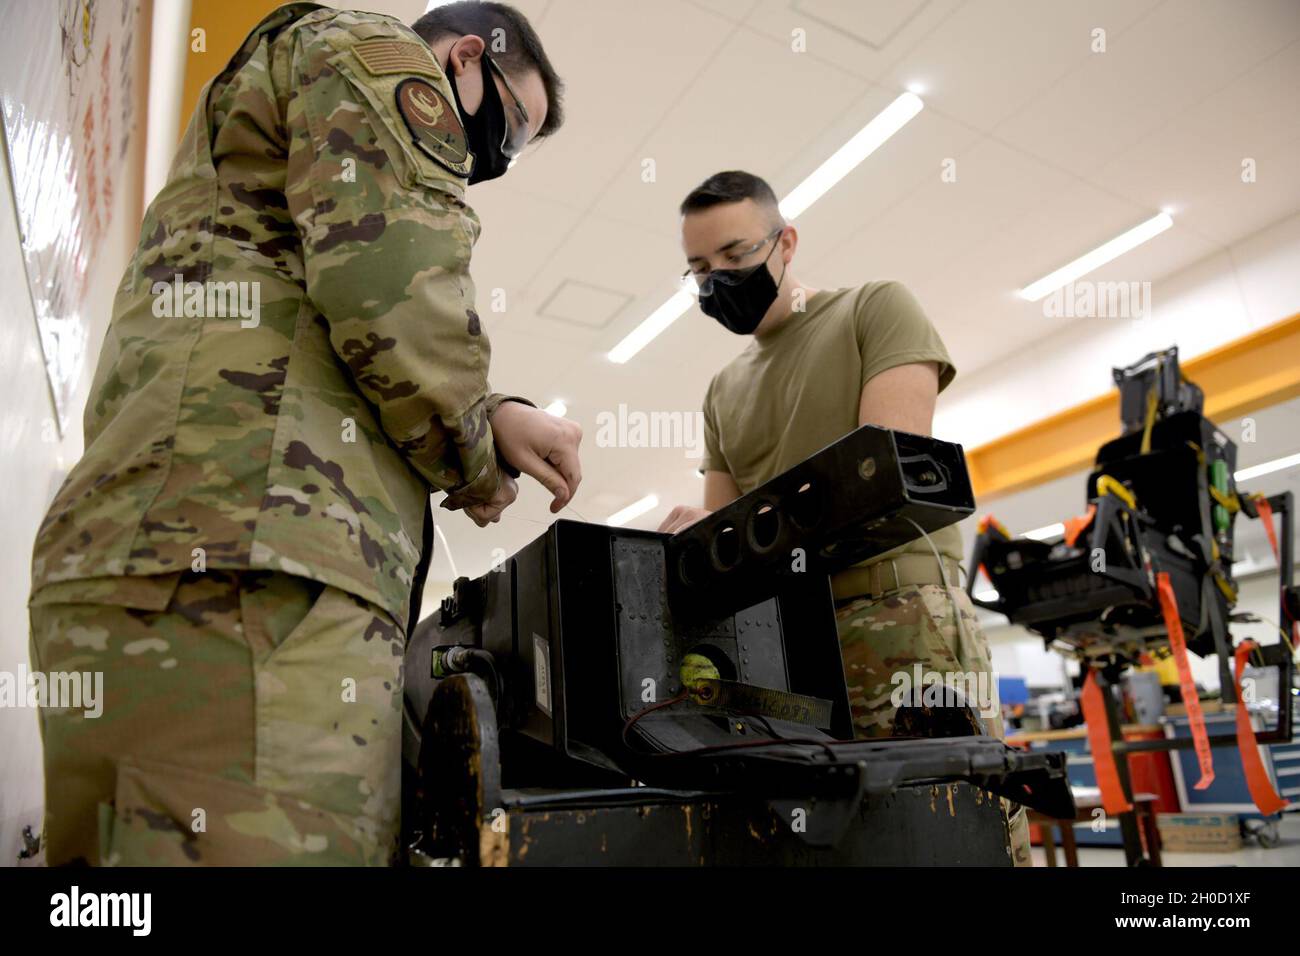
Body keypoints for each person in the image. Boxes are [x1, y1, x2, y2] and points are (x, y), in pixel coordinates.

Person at [27, 1, 579, 866]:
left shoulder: (279, 99)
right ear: (468, 56)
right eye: (509, 129)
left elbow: (325, 302)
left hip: (180, 556)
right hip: (254, 568)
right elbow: (390, 289)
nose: (492, 163)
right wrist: (475, 462)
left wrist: (491, 412)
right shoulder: (376, 51)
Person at [657, 170, 1031, 865]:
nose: (718, 280)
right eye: (700, 270)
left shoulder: (875, 309)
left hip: (899, 618)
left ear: (786, 241)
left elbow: (883, 483)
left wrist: (744, 522)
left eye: (736, 256)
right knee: (842, 851)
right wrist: (700, 536)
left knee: (957, 832)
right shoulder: (722, 389)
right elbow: (734, 551)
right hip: (791, 651)